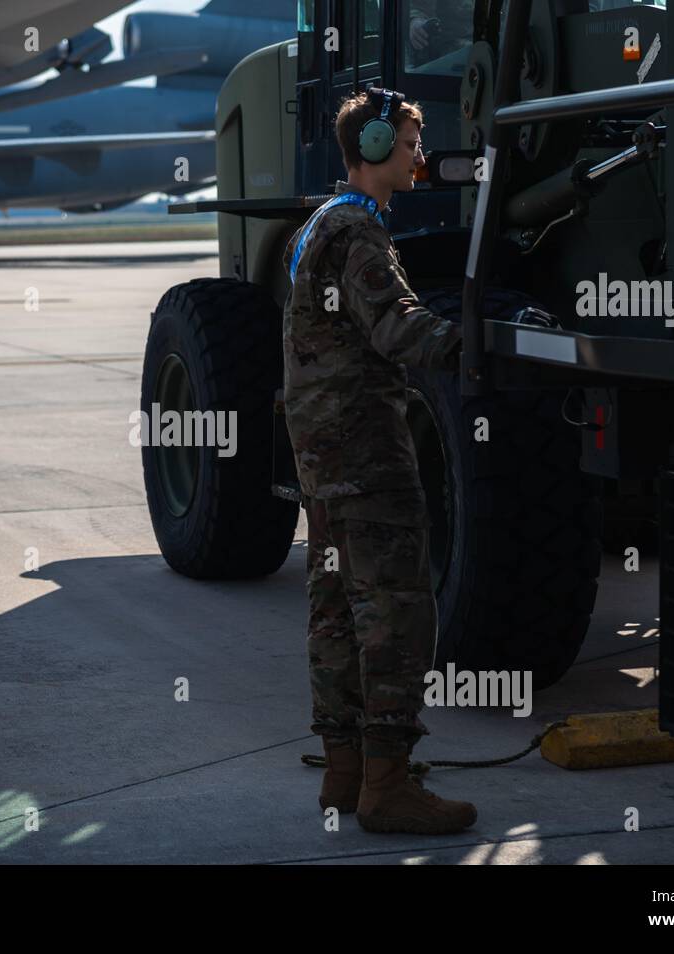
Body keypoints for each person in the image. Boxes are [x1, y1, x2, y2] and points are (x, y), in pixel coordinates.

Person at [281, 87, 474, 834]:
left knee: (334, 611)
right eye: (412, 144)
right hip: (364, 447)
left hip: (323, 452)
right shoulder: (359, 233)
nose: (420, 157)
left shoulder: (321, 222)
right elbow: (397, 329)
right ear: (372, 149)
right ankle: (387, 788)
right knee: (395, 609)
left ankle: (346, 773)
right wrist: (471, 342)